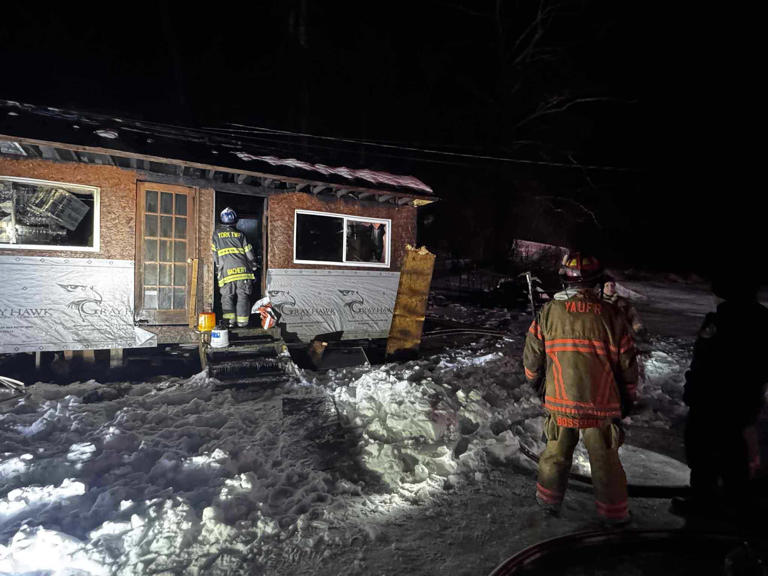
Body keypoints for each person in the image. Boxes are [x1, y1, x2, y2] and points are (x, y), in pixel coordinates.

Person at [523, 251, 638, 525]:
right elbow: (628, 365)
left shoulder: (548, 313)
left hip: (560, 402)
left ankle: (548, 506)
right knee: (605, 461)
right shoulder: (613, 316)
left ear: (565, 282)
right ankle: (615, 518)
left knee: (555, 456)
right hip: (601, 407)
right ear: (597, 282)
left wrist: (537, 384)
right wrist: (628, 397)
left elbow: (531, 359)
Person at [673, 271, 768, 521]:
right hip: (743, 401)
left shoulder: (720, 320)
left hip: (711, 401)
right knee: (734, 450)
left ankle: (703, 503)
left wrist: (692, 392)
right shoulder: (763, 319)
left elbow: (704, 361)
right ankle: (737, 503)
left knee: (702, 451)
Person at [211, 207, 259, 328]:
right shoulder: (240, 235)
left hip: (226, 272)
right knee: (243, 296)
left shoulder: (216, 235)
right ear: (235, 221)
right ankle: (243, 323)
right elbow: (249, 254)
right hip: (243, 272)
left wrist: (218, 269)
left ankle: (229, 323)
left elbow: (215, 256)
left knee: (227, 297)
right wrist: (254, 264)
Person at [602, 276, 647, 340]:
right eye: (607, 286)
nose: (610, 288)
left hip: (621, 333)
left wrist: (638, 327)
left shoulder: (622, 302)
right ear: (602, 287)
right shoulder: (597, 301)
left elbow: (633, 315)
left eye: (612, 285)